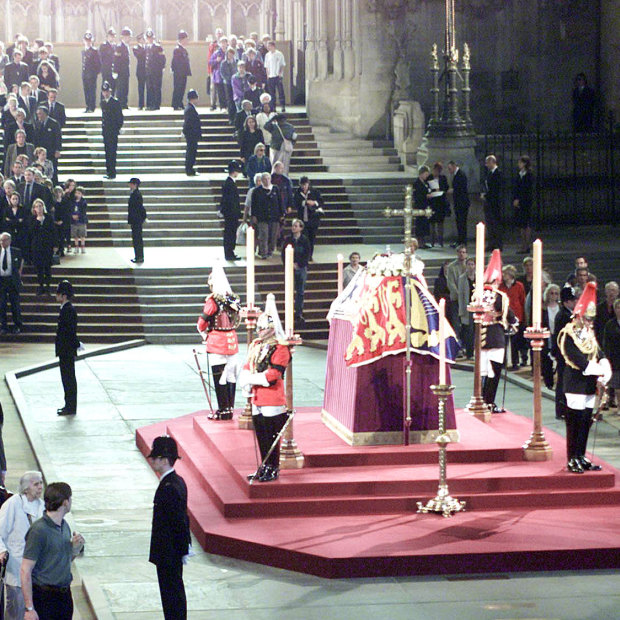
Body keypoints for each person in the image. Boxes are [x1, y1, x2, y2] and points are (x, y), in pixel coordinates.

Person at [557, 282, 611, 473]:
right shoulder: (568, 333)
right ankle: (572, 457)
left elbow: (598, 351)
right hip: (575, 383)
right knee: (575, 422)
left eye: (591, 320)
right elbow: (579, 360)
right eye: (587, 319)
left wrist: (604, 364)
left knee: (586, 422)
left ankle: (581, 455)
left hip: (588, 385)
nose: (589, 323)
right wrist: (598, 370)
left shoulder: (589, 333)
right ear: (579, 315)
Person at [240, 294, 292, 482]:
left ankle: (273, 467)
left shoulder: (280, 348)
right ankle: (263, 466)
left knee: (272, 436)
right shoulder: (256, 345)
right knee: (261, 435)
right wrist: (245, 377)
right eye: (259, 328)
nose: (260, 331)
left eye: (264, 328)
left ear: (271, 329)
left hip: (272, 397)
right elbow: (249, 363)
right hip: (257, 397)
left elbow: (273, 375)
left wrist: (252, 379)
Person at [20, 482, 85, 620]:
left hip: (64, 596)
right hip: (44, 598)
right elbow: (25, 570)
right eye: (71, 499)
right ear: (66, 502)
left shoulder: (64, 526)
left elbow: (62, 560)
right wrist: (29, 608)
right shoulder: (39, 531)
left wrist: (74, 550)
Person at [147, 436, 191, 620]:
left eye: (155, 457)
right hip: (172, 552)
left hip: (168, 553)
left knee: (171, 597)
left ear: (164, 460)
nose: (152, 460)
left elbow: (178, 522)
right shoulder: (176, 481)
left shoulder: (169, 487)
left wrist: (182, 550)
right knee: (173, 594)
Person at [196, 265, 241, 420]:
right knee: (231, 376)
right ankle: (230, 408)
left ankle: (223, 409)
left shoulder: (213, 301)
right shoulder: (233, 300)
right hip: (232, 340)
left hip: (217, 341)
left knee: (219, 376)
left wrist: (204, 334)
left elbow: (202, 322)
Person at [0, 471, 44, 620]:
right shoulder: (13, 504)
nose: (40, 487)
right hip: (16, 568)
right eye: (36, 484)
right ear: (26, 488)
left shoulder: (42, 505)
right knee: (15, 612)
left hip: (37, 571)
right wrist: (2, 551)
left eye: (41, 483)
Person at [480, 250, 518, 412]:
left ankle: (480, 399)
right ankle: (489, 402)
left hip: (481, 336)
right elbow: (507, 313)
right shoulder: (500, 296)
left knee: (483, 373)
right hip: (495, 336)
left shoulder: (478, 295)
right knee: (494, 373)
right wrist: (514, 322)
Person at [54, 279, 80, 416]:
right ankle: (68, 404)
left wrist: (76, 344)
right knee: (67, 378)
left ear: (64, 295)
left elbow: (70, 332)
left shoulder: (68, 310)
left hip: (66, 350)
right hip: (65, 350)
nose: (56, 296)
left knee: (68, 378)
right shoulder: (66, 309)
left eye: (58, 293)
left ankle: (70, 406)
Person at [552, 285, 578, 419]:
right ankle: (561, 409)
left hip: (564, 354)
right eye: (573, 300)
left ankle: (563, 408)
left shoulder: (566, 314)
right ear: (567, 301)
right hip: (564, 354)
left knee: (564, 381)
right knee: (563, 381)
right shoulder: (564, 316)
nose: (575, 302)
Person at [281, 219, 311, 325]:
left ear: (301, 228)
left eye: (296, 226)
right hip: (290, 268)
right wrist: (290, 264)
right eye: (293, 226)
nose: (294, 228)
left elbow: (307, 254)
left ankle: (298, 313)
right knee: (289, 291)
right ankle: (288, 312)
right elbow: (284, 255)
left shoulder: (305, 240)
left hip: (301, 268)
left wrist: (299, 264)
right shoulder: (288, 240)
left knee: (300, 292)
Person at [499, 264, 526, 370]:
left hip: (516, 315)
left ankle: (515, 362)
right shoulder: (501, 286)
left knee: (515, 342)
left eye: (505, 273)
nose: (503, 275)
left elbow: (522, 301)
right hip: (504, 316)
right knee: (504, 341)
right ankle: (503, 362)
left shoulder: (519, 285)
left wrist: (523, 317)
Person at [251, 172, 282, 259]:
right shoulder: (257, 191)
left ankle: (270, 251)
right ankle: (263, 253)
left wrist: (281, 213)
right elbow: (254, 204)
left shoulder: (275, 189)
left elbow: (280, 202)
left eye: (268, 178)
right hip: (262, 217)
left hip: (274, 216)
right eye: (264, 179)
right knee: (264, 235)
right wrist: (254, 215)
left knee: (273, 236)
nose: (267, 180)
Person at [28, 199, 55, 296]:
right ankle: (41, 286)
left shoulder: (49, 217)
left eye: (40, 206)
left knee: (47, 268)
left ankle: (48, 287)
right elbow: (30, 232)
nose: (39, 208)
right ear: (34, 209)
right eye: (37, 206)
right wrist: (38, 222)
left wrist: (55, 245)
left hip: (47, 246)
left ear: (43, 207)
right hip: (37, 246)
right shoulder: (32, 219)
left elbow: (53, 231)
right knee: (39, 268)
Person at [294, 176, 324, 260]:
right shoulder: (297, 192)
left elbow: (321, 202)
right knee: (304, 239)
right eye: (302, 185)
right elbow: (295, 203)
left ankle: (310, 255)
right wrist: (305, 202)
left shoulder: (314, 192)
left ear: (308, 184)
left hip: (313, 220)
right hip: (302, 220)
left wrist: (314, 202)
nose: (304, 187)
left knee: (311, 239)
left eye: (305, 185)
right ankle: (304, 255)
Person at [219, 160, 243, 261]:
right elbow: (229, 201)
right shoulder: (229, 184)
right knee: (230, 233)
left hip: (231, 213)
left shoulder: (229, 183)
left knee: (230, 233)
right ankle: (229, 252)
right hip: (231, 214)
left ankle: (230, 252)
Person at [0, 232, 23, 335]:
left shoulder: (16, 251)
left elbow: (20, 263)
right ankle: (3, 326)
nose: (2, 242)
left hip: (12, 281)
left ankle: (17, 325)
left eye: (4, 240)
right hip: (1, 281)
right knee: (2, 305)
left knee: (15, 305)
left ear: (9, 241)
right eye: (1, 240)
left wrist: (19, 275)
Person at [32, 106, 61, 184]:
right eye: (37, 114)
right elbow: (35, 138)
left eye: (40, 114)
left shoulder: (54, 123)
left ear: (45, 114)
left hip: (51, 152)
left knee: (53, 170)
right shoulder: (37, 123)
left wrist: (58, 150)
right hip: (40, 152)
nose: (39, 116)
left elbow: (58, 137)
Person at [101, 81, 123, 179]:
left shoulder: (115, 102)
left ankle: (112, 172)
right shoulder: (103, 102)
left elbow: (119, 118)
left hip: (112, 132)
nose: (105, 93)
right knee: (107, 151)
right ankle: (108, 171)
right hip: (106, 132)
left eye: (107, 91)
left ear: (110, 91)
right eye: (104, 92)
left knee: (112, 152)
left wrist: (116, 129)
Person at [481, 155, 503, 251]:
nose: (486, 165)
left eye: (487, 163)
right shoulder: (489, 173)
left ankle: (498, 244)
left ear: (492, 162)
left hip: (495, 203)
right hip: (489, 202)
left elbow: (495, 189)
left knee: (496, 224)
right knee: (490, 224)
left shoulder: (498, 173)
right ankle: (491, 244)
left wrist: (486, 195)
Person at [512, 155, 534, 254]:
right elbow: (516, 188)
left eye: (520, 162)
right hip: (519, 202)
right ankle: (523, 244)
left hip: (526, 202)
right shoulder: (519, 174)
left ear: (525, 163)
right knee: (521, 224)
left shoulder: (529, 175)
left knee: (526, 224)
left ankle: (527, 245)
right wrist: (515, 199)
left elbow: (527, 190)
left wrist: (520, 199)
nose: (519, 164)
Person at [602, 299, 620, 411]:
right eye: (618, 307)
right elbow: (606, 342)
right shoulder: (610, 324)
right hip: (615, 358)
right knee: (617, 386)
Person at [445, 244, 468, 332]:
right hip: (456, 298)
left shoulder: (469, 265)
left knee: (466, 322)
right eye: (460, 252)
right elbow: (450, 283)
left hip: (467, 298)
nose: (462, 254)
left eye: (463, 252)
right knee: (456, 321)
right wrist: (459, 294)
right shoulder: (451, 267)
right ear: (457, 253)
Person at [457, 257, 476, 359]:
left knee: (477, 331)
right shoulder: (462, 278)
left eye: (472, 264)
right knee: (469, 331)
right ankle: (469, 353)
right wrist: (461, 311)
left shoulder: (479, 277)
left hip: (478, 307)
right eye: (468, 264)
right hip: (467, 308)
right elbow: (461, 295)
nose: (470, 266)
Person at [428, 162, 450, 248]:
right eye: (435, 170)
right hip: (432, 203)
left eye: (438, 171)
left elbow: (446, 188)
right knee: (432, 224)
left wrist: (440, 190)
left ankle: (441, 241)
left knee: (440, 224)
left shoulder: (443, 178)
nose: (436, 172)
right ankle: (432, 241)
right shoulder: (430, 177)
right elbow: (427, 188)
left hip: (440, 203)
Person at [145, 30, 165, 111]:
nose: (150, 40)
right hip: (148, 71)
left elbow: (162, 58)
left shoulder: (158, 47)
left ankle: (156, 104)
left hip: (156, 71)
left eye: (151, 38)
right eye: (148, 38)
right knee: (149, 87)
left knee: (156, 87)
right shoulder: (146, 47)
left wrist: (162, 67)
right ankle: (150, 104)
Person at [182, 89, 201, 176]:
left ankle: (190, 168)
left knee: (191, 151)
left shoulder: (190, 108)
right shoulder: (190, 109)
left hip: (191, 134)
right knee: (191, 152)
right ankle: (189, 169)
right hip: (191, 134)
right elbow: (188, 122)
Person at [127, 178, 146, 264]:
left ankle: (139, 256)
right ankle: (138, 256)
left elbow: (139, 208)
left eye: (131, 184)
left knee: (137, 239)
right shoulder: (134, 194)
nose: (129, 185)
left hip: (136, 220)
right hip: (135, 220)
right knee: (136, 239)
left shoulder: (136, 195)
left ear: (135, 185)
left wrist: (142, 217)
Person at [171, 30, 191, 110]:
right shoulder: (177, 50)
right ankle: (176, 103)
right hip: (179, 73)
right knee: (178, 88)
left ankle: (180, 102)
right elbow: (176, 62)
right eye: (186, 39)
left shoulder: (183, 50)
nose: (187, 41)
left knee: (182, 88)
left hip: (183, 73)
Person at [81, 31, 100, 113]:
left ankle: (92, 107)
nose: (88, 42)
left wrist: (94, 73)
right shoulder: (83, 51)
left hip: (92, 74)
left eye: (89, 40)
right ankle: (87, 105)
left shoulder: (94, 51)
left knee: (92, 90)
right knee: (86, 90)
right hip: (85, 74)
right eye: (86, 40)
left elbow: (98, 64)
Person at [413, 165, 432, 249]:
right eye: (426, 174)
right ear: (421, 173)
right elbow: (417, 195)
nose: (427, 176)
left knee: (424, 225)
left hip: (425, 206)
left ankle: (423, 242)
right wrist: (426, 196)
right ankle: (419, 242)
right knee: (420, 225)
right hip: (420, 206)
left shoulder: (425, 183)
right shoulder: (417, 183)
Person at [264, 41, 286, 112]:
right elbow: (266, 66)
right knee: (272, 93)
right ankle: (273, 107)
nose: (268, 47)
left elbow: (282, 64)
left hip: (277, 76)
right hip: (270, 76)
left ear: (273, 46)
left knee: (280, 92)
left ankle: (283, 106)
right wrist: (268, 75)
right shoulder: (267, 55)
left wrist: (280, 73)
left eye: (269, 46)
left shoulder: (279, 54)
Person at [113, 27, 132, 109]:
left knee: (125, 88)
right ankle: (120, 104)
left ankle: (124, 103)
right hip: (120, 71)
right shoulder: (119, 46)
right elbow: (116, 60)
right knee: (120, 88)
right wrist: (115, 71)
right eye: (128, 36)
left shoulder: (126, 46)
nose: (129, 38)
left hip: (125, 71)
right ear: (124, 37)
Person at [70, 186, 88, 254]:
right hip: (73, 221)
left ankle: (83, 247)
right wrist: (72, 215)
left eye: (79, 193)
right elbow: (70, 209)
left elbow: (84, 211)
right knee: (75, 235)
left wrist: (78, 216)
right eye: (76, 193)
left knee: (82, 235)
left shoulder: (83, 202)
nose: (77, 194)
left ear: (82, 194)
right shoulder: (72, 201)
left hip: (81, 220)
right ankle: (76, 247)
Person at [99, 28, 117, 92]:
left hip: (113, 71)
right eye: (110, 36)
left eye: (113, 36)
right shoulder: (103, 46)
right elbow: (101, 59)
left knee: (113, 88)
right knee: (105, 88)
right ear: (107, 37)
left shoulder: (115, 46)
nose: (112, 38)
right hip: (106, 71)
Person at [133, 33, 147, 110]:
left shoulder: (147, 47)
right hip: (140, 70)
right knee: (141, 88)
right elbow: (138, 56)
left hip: (148, 70)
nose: (144, 40)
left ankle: (149, 104)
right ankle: (141, 104)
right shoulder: (136, 48)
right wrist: (144, 49)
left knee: (149, 87)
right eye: (142, 39)